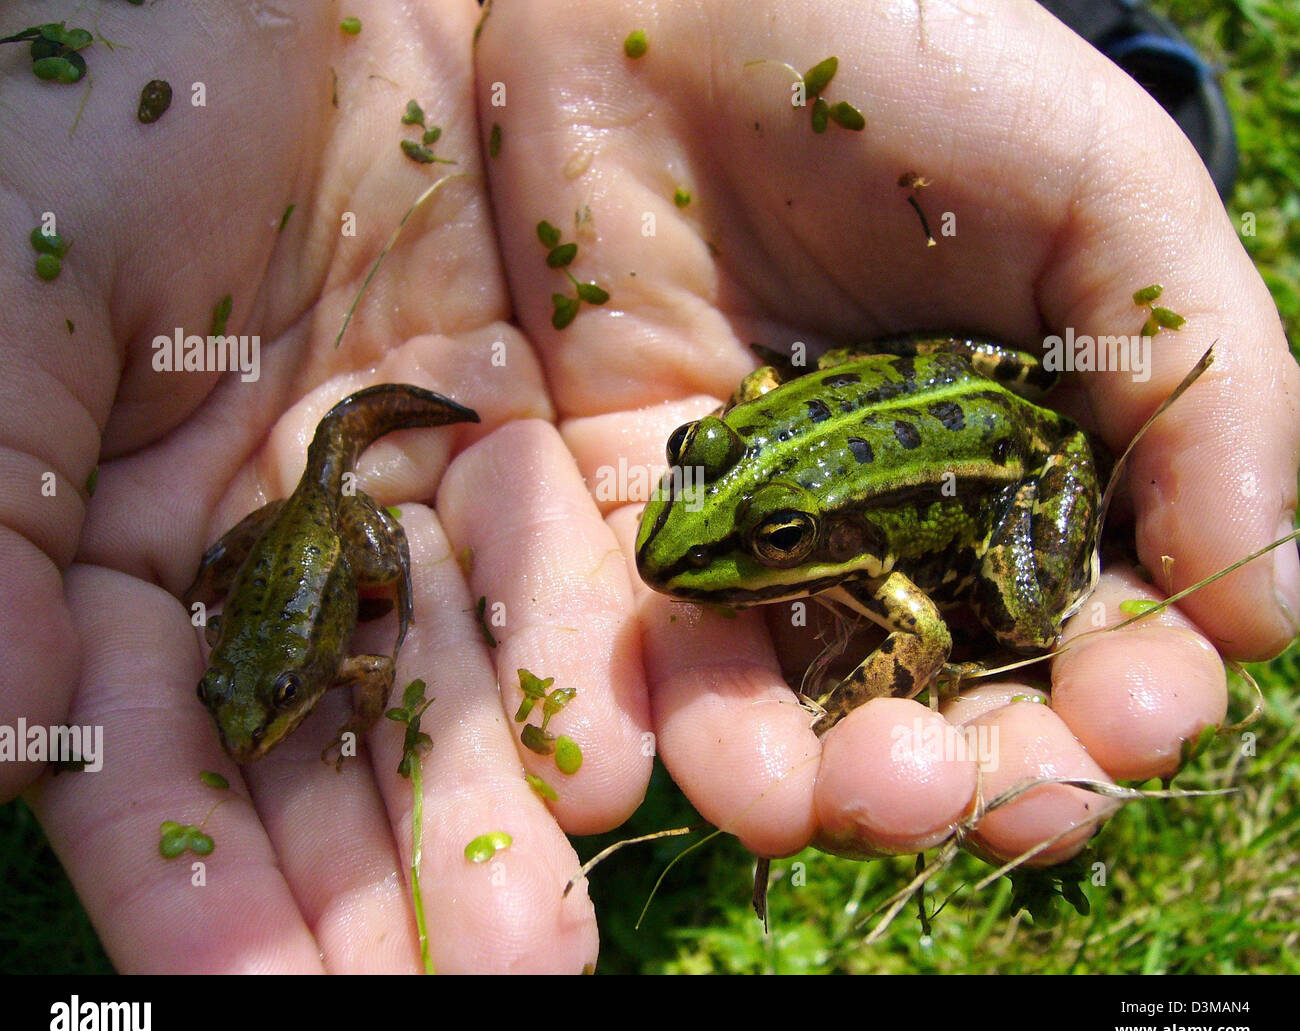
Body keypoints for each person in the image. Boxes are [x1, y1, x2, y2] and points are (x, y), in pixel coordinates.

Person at [2, 0, 1295, 973]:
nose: (676, 556)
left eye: (771, 541)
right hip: (877, 411)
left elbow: (925, 624)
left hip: (997, 462)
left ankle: (1111, 48)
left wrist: (888, 666)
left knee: (1016, 609)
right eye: (700, 465)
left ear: (820, 539)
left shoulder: (875, 562)